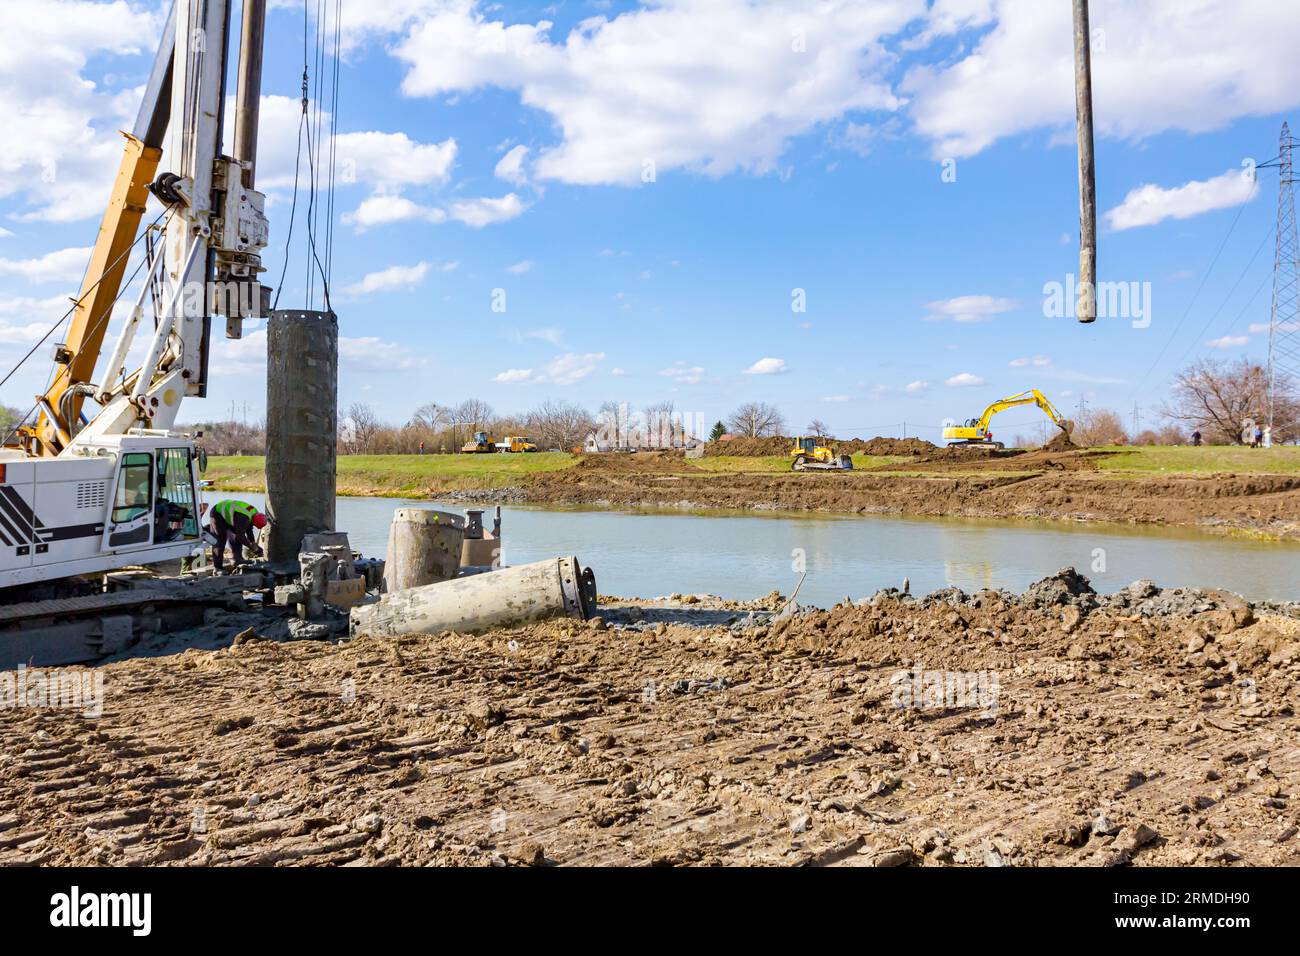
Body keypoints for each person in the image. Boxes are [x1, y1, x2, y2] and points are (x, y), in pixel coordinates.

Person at [208, 499, 266, 572]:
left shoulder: (254, 514)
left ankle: (237, 559)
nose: (253, 525)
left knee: (235, 537)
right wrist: (253, 548)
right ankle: (217, 568)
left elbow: (249, 529)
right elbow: (241, 537)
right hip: (218, 513)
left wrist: (253, 543)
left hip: (232, 515)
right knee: (220, 541)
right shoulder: (244, 518)